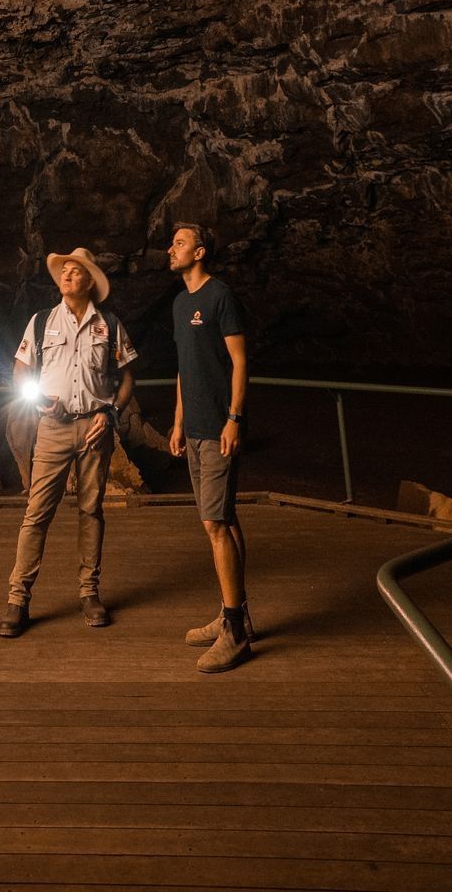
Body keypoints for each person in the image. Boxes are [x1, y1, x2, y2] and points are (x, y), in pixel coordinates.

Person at [0, 246, 137, 637]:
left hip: (94, 430)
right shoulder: (42, 322)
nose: (67, 275)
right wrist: (37, 399)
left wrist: (109, 413)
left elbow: (127, 376)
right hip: (53, 430)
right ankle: (18, 600)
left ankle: (89, 593)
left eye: (76, 271)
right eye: (64, 270)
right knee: (37, 512)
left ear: (89, 281)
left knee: (91, 510)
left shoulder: (108, 324)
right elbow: (21, 369)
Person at [167, 221, 251, 672]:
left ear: (199, 252)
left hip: (219, 429)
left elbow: (239, 361)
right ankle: (231, 614)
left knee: (215, 525)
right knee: (224, 520)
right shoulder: (181, 304)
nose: (170, 249)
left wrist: (234, 420)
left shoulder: (220, 297)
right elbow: (184, 368)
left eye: (179, 243)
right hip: (195, 429)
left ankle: (235, 632)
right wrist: (178, 422)